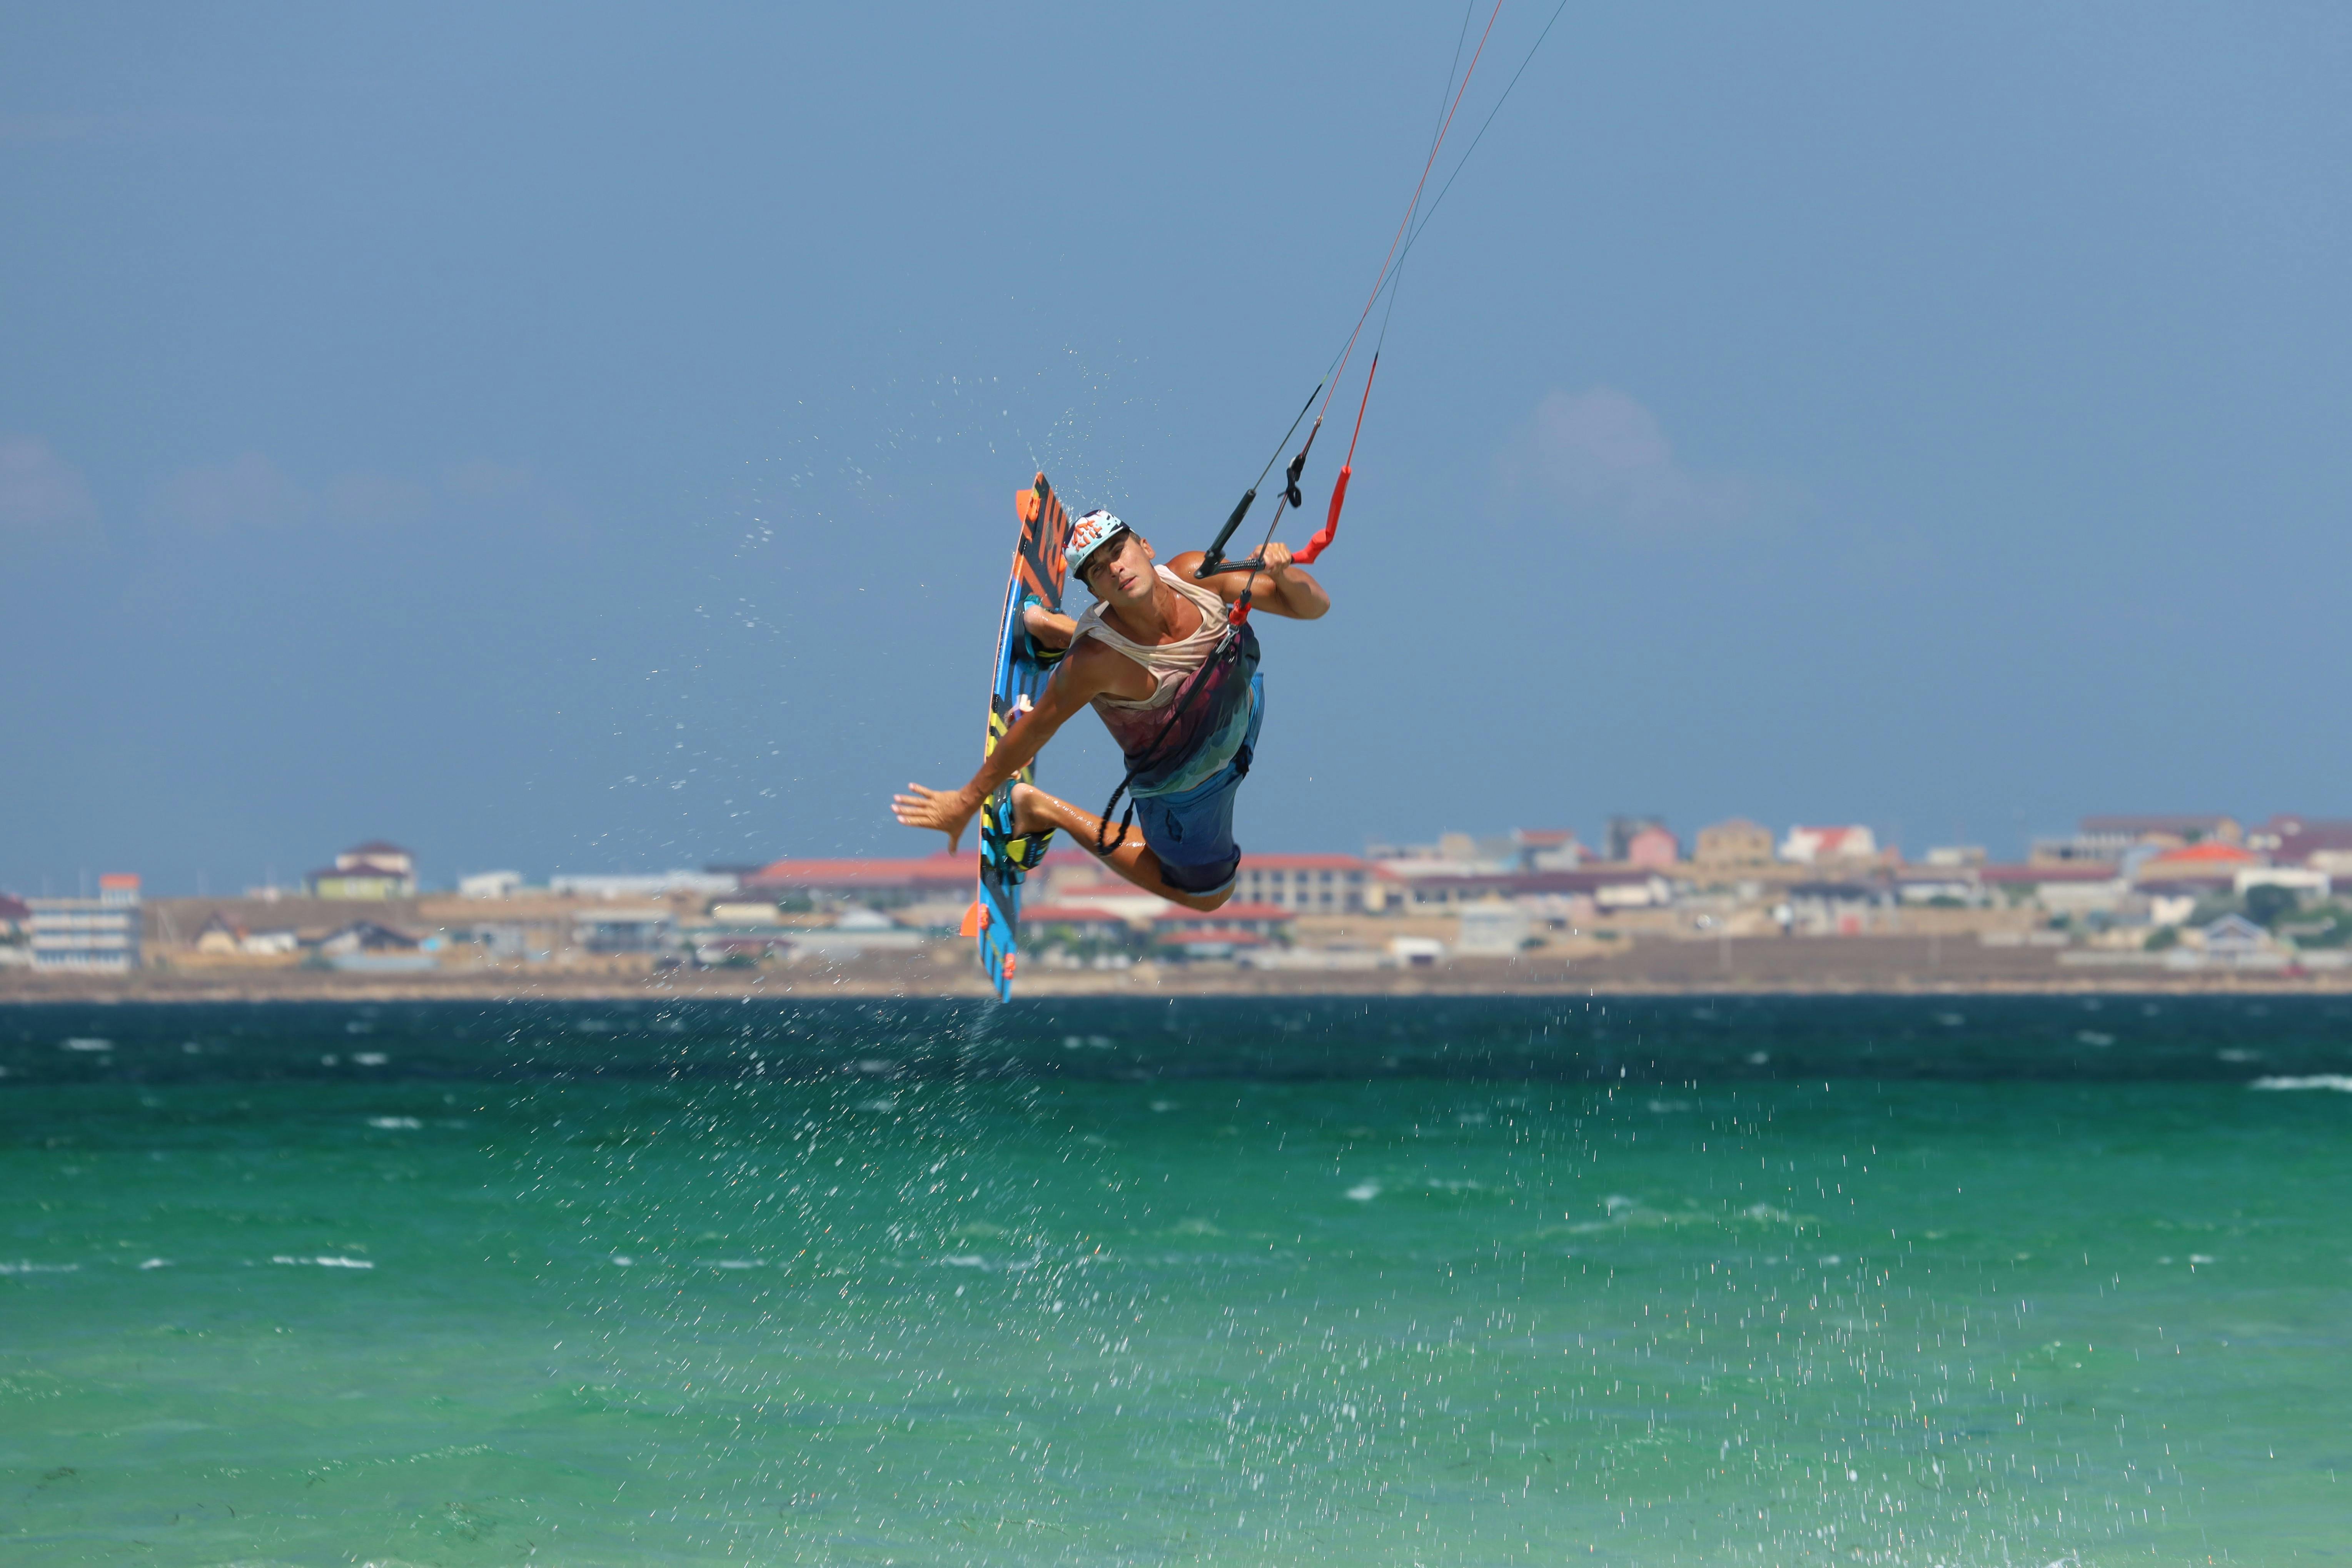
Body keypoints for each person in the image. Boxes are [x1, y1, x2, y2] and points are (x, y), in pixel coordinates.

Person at [890, 509, 1329, 911]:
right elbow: (1034, 730)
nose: (1115, 568)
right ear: (1093, 588)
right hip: (1185, 790)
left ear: (1145, 546)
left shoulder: (1198, 574)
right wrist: (966, 802)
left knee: (1193, 659)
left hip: (1241, 713)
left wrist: (1283, 574)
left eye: (1117, 550)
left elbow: (1312, 606)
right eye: (1097, 569)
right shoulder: (1094, 664)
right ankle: (1037, 809)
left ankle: (1047, 629)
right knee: (1210, 893)